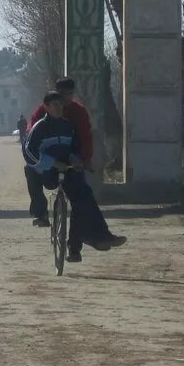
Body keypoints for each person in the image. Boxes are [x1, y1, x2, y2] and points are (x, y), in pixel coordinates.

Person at [26, 77, 124, 250]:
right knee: (30, 169)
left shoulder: (75, 116)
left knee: (83, 196)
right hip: (48, 167)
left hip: (69, 164)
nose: (64, 101)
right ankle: (40, 213)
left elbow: (83, 140)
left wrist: (81, 160)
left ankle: (92, 238)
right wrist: (50, 162)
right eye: (61, 96)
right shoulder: (42, 116)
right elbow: (30, 146)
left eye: (69, 95)